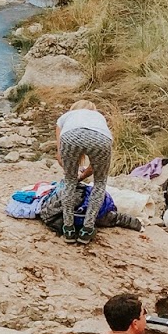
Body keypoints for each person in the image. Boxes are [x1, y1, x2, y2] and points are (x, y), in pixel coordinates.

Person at [55, 103, 113, 245]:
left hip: (70, 137)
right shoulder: (98, 117)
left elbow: (60, 156)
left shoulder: (65, 118)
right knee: (100, 183)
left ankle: (68, 229)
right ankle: (87, 229)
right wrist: (83, 176)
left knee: (69, 181)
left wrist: (73, 176)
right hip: (101, 139)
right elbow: (94, 168)